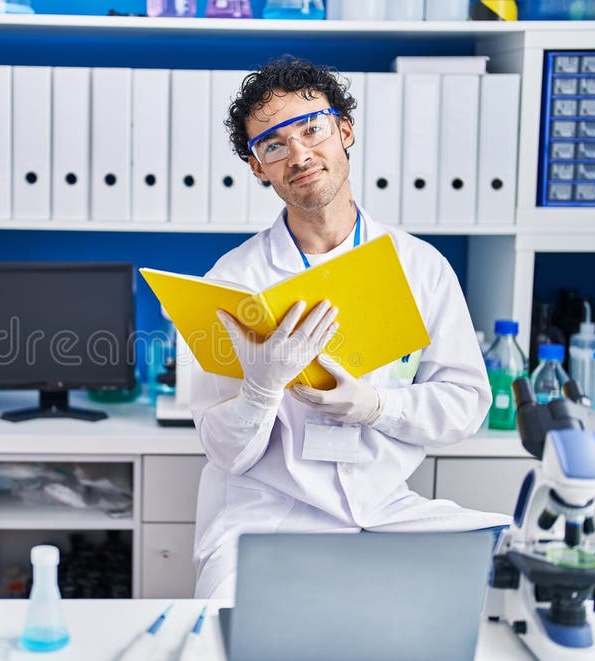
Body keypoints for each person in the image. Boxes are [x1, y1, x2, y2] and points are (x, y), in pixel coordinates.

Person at [190, 55, 510, 599]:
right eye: (273, 145)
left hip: (382, 512)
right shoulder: (234, 281)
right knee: (226, 629)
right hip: (267, 519)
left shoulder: (418, 267)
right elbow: (226, 451)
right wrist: (260, 391)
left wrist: (379, 407)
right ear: (257, 167)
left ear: (344, 129)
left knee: (501, 573)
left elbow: (466, 402)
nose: (299, 154)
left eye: (311, 128)